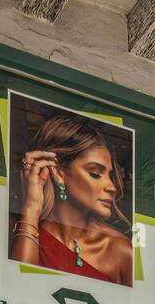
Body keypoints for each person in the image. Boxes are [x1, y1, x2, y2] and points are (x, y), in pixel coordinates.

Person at [10, 112, 133, 286]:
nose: (111, 187)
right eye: (95, 173)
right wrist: (31, 209)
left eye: (110, 175)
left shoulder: (120, 250)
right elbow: (17, 291)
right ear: (59, 173)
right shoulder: (16, 230)